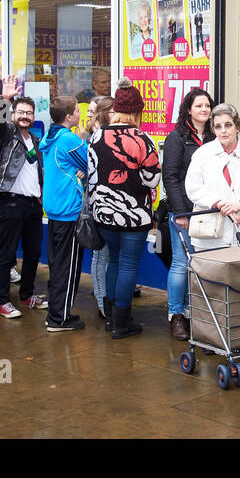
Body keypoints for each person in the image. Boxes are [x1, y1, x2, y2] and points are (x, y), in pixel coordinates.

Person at [88, 79, 160, 338]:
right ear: (137, 111)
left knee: (114, 262)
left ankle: (109, 318)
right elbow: (152, 179)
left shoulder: (96, 135)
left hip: (103, 213)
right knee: (129, 265)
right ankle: (122, 322)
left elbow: (92, 174)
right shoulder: (142, 138)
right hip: (134, 215)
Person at [0, 75, 48, 319]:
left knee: (33, 253)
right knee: (7, 255)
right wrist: (5, 99)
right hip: (10, 203)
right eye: (20, 112)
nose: (25, 116)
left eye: (29, 113)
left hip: (33, 205)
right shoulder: (7, 135)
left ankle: (26, 295)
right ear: (13, 115)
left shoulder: (34, 140)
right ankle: (3, 301)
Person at [184, 103, 240, 252]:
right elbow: (193, 188)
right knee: (211, 275)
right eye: (218, 126)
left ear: (237, 127)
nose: (223, 131)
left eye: (228, 125)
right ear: (213, 129)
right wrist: (219, 203)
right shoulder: (202, 154)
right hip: (210, 235)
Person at [161, 87, 214, 340]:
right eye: (199, 106)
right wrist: (180, 211)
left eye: (207, 106)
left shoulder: (215, 137)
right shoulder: (177, 138)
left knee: (202, 264)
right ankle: (176, 315)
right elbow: (170, 177)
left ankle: (197, 313)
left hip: (209, 212)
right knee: (182, 263)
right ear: (188, 110)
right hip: (184, 213)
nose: (204, 110)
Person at [41, 95, 90, 332]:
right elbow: (93, 163)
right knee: (68, 268)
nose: (80, 114)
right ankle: (59, 318)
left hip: (54, 210)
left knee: (57, 265)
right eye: (77, 111)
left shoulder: (50, 136)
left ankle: (55, 312)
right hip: (69, 211)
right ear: (69, 116)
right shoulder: (69, 140)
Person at [86, 96, 112, 318]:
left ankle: (106, 294)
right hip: (98, 203)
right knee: (100, 254)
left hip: (113, 205)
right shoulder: (93, 138)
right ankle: (102, 299)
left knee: (108, 255)